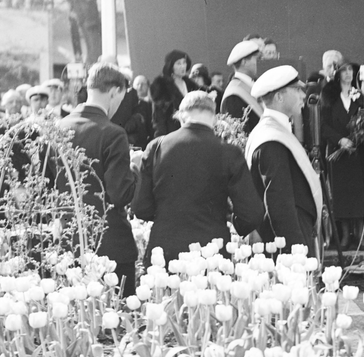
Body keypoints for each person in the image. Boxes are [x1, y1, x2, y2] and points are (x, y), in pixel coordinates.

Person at [133, 91, 263, 266]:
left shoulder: (156, 147)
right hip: (212, 252)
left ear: (180, 116)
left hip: (164, 250)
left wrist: (166, 216)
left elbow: (141, 208)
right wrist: (232, 221)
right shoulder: (229, 153)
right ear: (214, 118)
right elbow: (251, 215)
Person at [58, 64, 140, 297]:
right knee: (119, 325)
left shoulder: (59, 127)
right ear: (115, 91)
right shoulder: (112, 132)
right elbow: (119, 193)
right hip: (110, 242)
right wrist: (135, 167)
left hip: (71, 242)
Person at [246, 66, 324, 254]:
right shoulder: (271, 139)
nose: (303, 95)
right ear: (279, 97)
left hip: (293, 233)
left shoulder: (274, 131)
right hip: (288, 243)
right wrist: (296, 253)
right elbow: (279, 203)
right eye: (297, 90)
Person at [322, 62, 364, 249]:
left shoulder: (361, 95)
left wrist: (360, 136)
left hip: (358, 153)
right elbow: (322, 125)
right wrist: (340, 140)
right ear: (337, 74)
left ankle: (361, 234)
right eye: (344, 71)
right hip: (339, 153)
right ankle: (345, 236)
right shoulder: (330, 97)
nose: (348, 74)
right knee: (343, 195)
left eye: (351, 70)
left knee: (359, 193)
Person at [150, 50, 199, 137]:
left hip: (193, 132)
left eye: (184, 62)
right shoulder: (162, 87)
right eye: (178, 63)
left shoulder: (191, 85)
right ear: (171, 66)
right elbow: (159, 119)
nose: (183, 66)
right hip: (173, 134)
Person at [221, 39, 263, 132]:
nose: (259, 63)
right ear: (244, 62)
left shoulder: (251, 84)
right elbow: (238, 134)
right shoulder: (233, 95)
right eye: (256, 59)